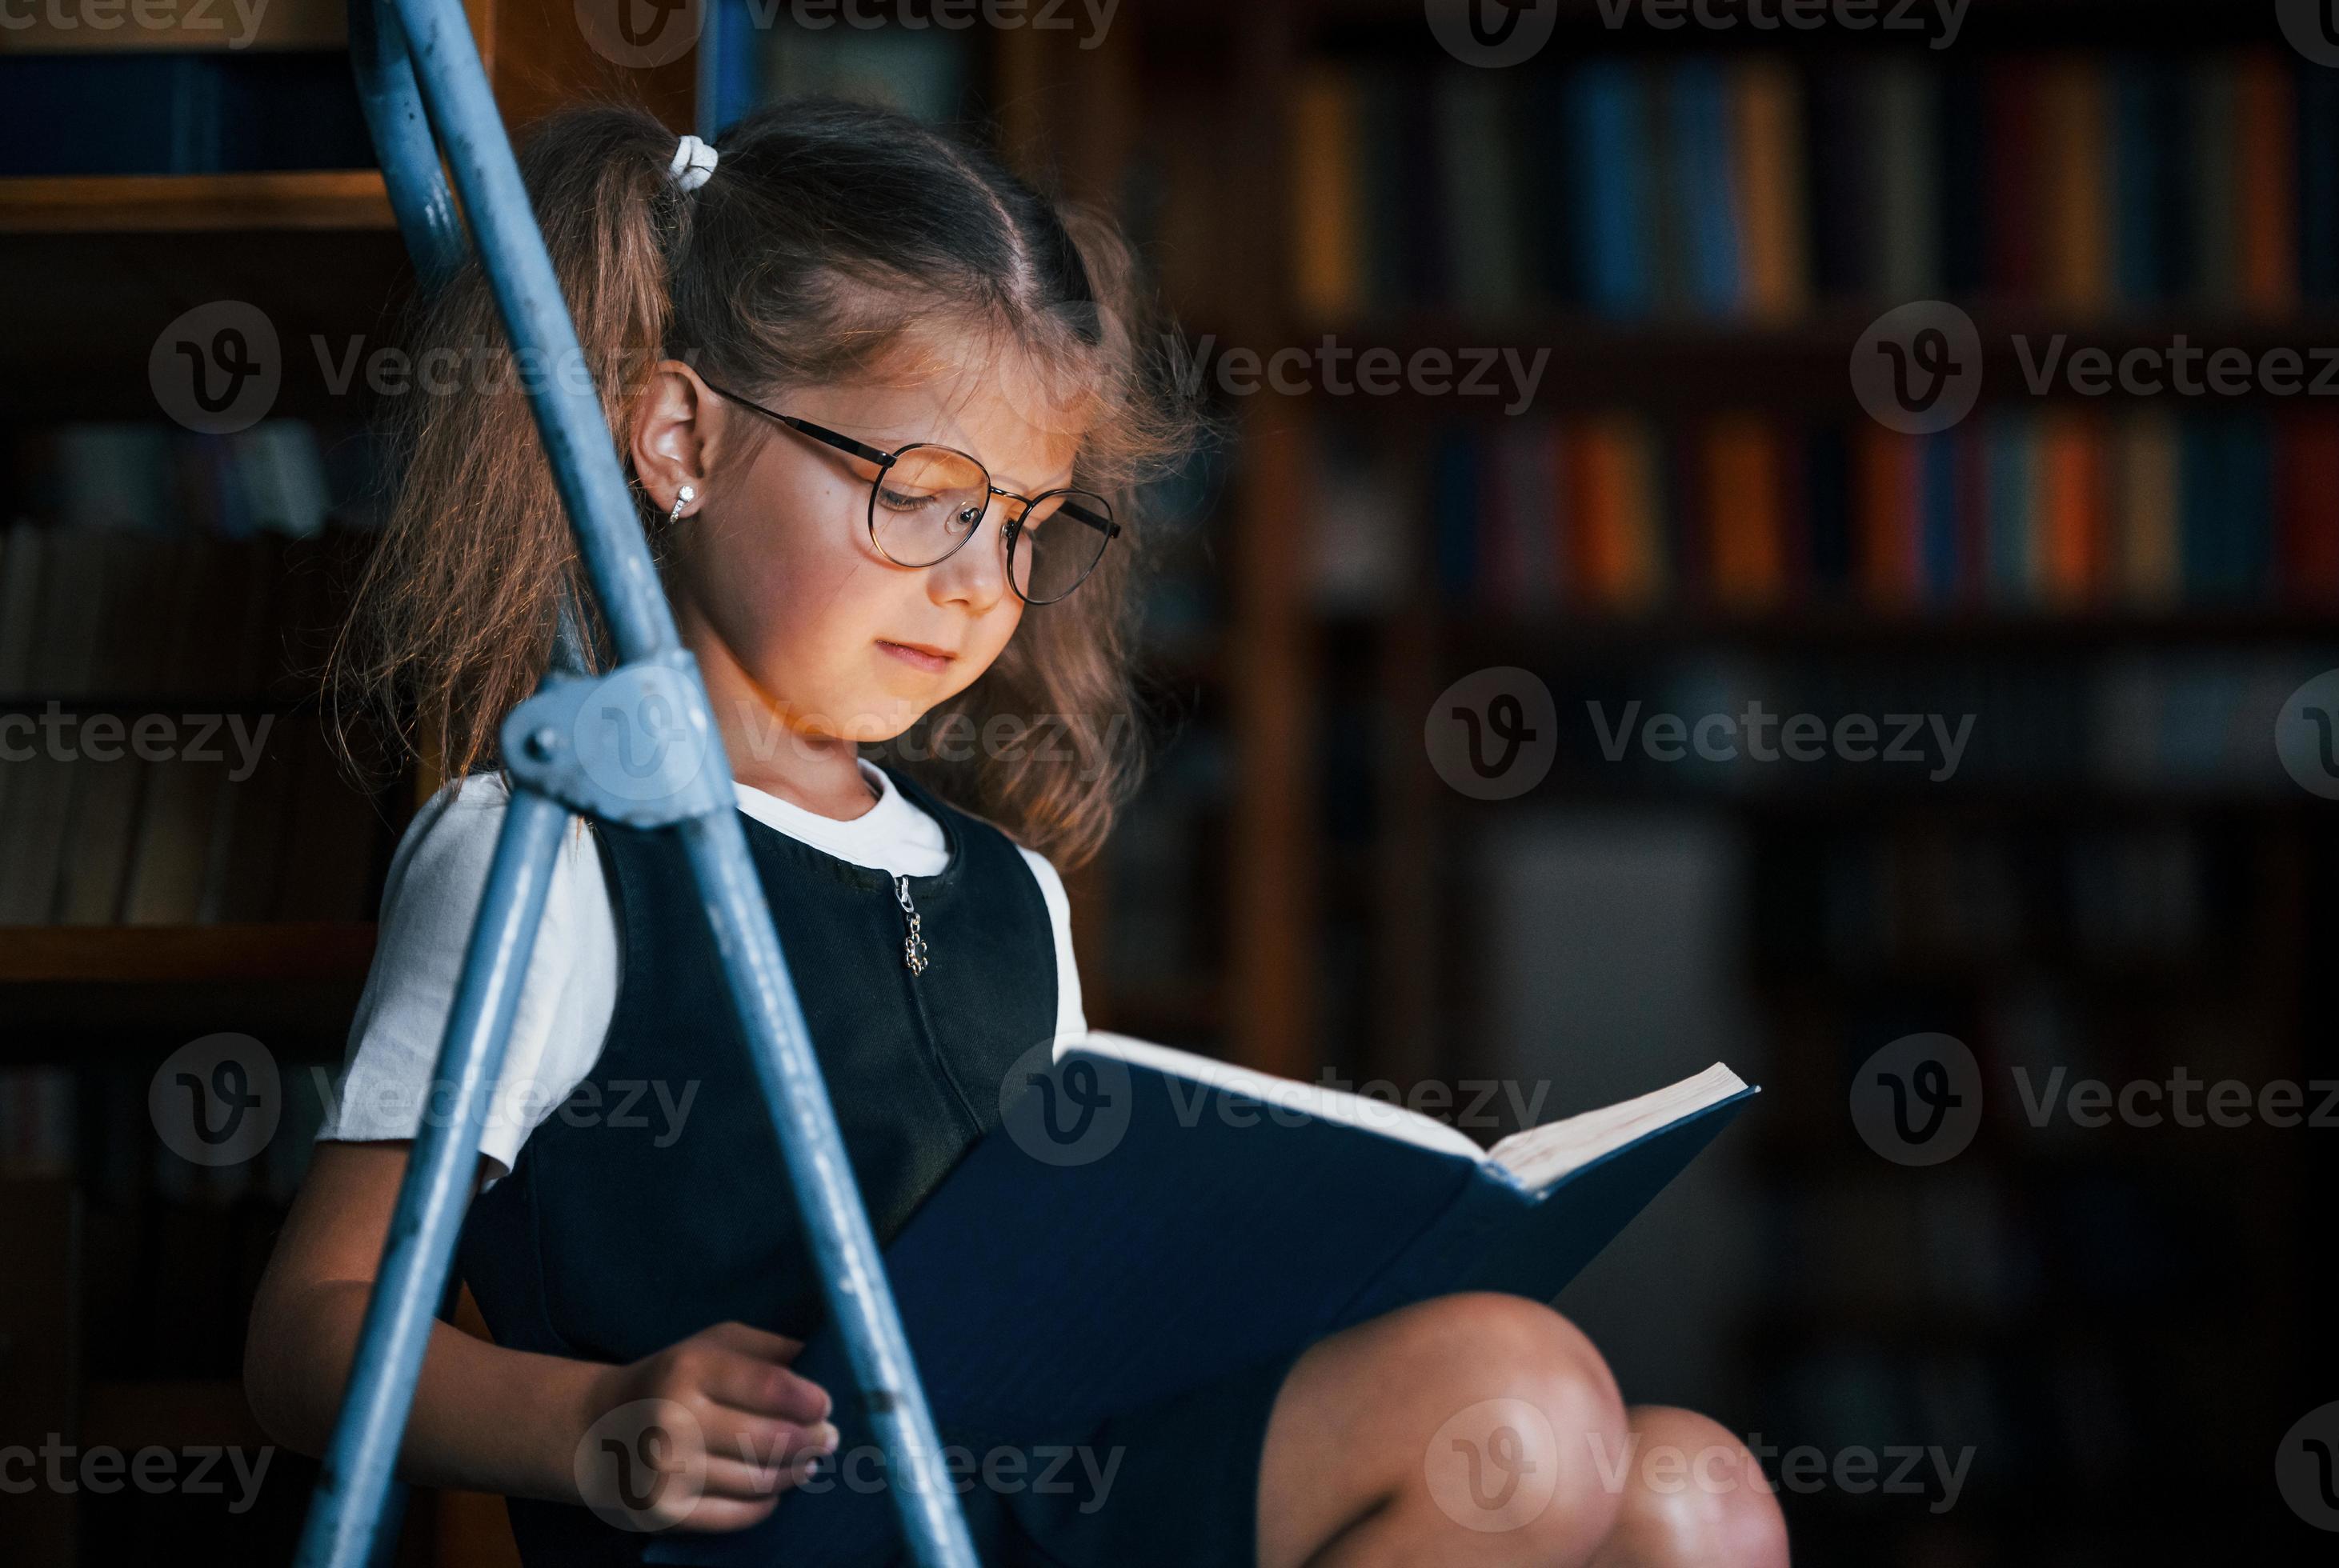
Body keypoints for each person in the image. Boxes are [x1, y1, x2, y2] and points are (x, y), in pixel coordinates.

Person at [243, 96, 1788, 1568]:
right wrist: (586, 1415)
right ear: (678, 441)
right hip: (797, 1535)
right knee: (1508, 1395)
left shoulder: (1005, 893)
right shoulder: (551, 854)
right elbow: (313, 1328)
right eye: (923, 493)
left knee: (1691, 1496)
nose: (981, 582)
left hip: (1032, 1504)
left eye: (1028, 524)